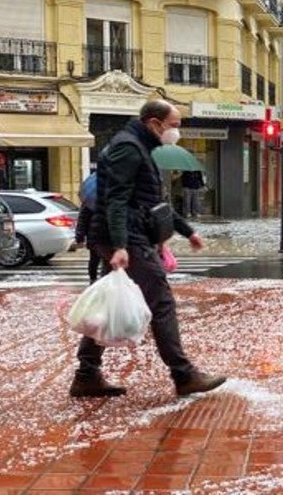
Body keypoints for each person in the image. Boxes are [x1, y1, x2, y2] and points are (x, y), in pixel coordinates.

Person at [70, 100, 227, 398]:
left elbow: (152, 202)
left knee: (106, 305)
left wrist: (186, 230)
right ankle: (184, 375)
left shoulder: (140, 148)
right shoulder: (128, 148)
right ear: (154, 123)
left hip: (126, 234)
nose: (176, 132)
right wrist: (119, 245)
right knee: (161, 301)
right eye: (174, 125)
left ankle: (86, 375)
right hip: (126, 237)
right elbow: (115, 200)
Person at [74, 170, 101, 282]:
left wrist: (79, 237)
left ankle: (93, 280)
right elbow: (83, 220)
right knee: (101, 259)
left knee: (94, 259)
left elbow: (82, 220)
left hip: (94, 235)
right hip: (100, 235)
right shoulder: (112, 199)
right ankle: (95, 279)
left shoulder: (89, 200)